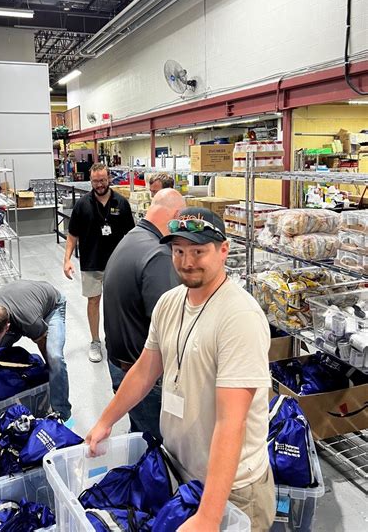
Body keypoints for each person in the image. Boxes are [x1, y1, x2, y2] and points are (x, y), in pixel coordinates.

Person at [86, 207, 274, 531]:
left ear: (223, 250)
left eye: (198, 251)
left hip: (231, 490)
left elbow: (232, 422)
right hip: (181, 473)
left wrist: (209, 517)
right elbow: (146, 370)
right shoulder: (170, 303)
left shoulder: (239, 317)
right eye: (178, 251)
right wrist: (106, 420)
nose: (187, 262)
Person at [103, 188, 185, 440]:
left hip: (120, 363)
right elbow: (170, 326)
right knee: (163, 446)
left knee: (140, 438)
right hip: (142, 375)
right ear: (177, 216)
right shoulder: (158, 254)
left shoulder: (131, 238)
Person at [0, 279, 71, 421]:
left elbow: (43, 344)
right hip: (19, 302)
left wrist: (50, 373)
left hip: (52, 306)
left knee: (55, 358)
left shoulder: (30, 321)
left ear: (7, 328)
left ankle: (62, 413)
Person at [63, 163, 135, 363]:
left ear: (109, 178)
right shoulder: (82, 205)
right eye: (95, 181)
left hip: (117, 265)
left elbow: (131, 235)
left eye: (102, 180)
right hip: (91, 263)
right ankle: (95, 341)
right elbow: (72, 235)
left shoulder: (121, 203)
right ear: (90, 180)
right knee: (93, 301)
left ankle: (116, 339)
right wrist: (67, 259)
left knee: (117, 304)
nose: (99, 184)